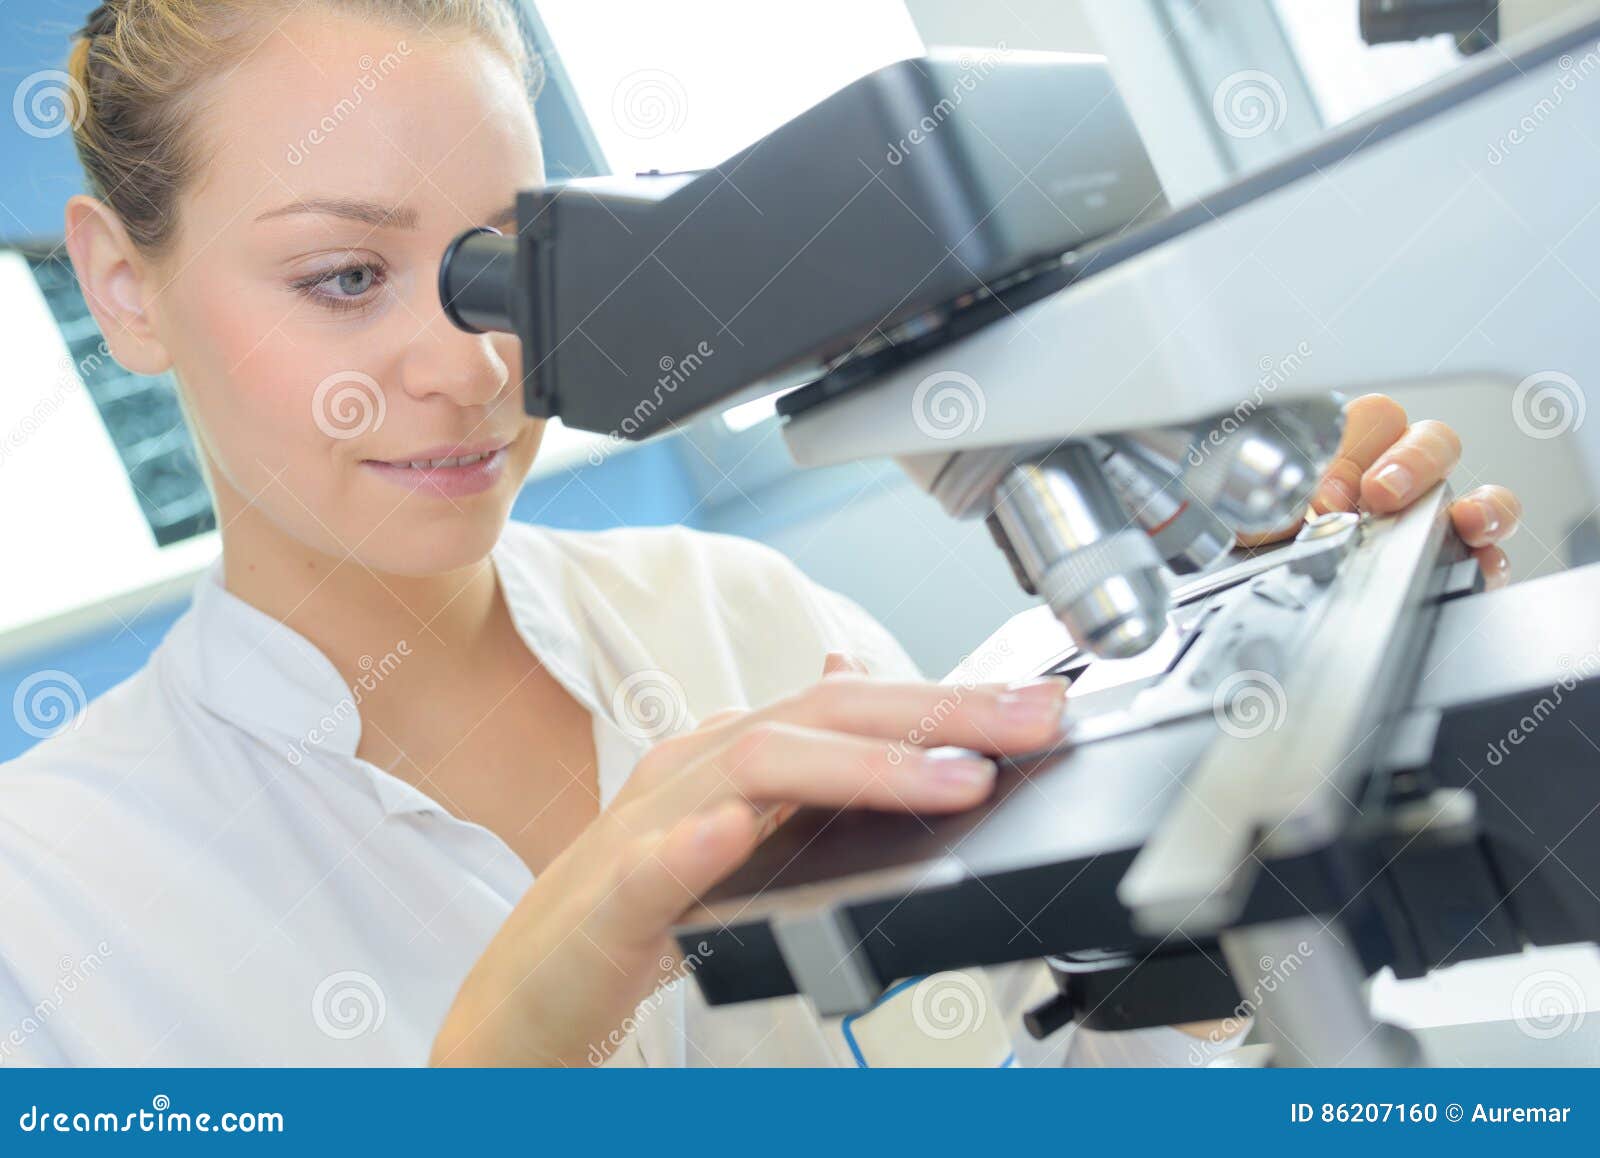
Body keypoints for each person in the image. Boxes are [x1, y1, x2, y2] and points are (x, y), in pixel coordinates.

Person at [0, 0, 1521, 1068]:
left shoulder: (744, 621)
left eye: (502, 274)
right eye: (342, 278)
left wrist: (1224, 766)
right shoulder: (47, 909)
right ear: (122, 283)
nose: (467, 366)